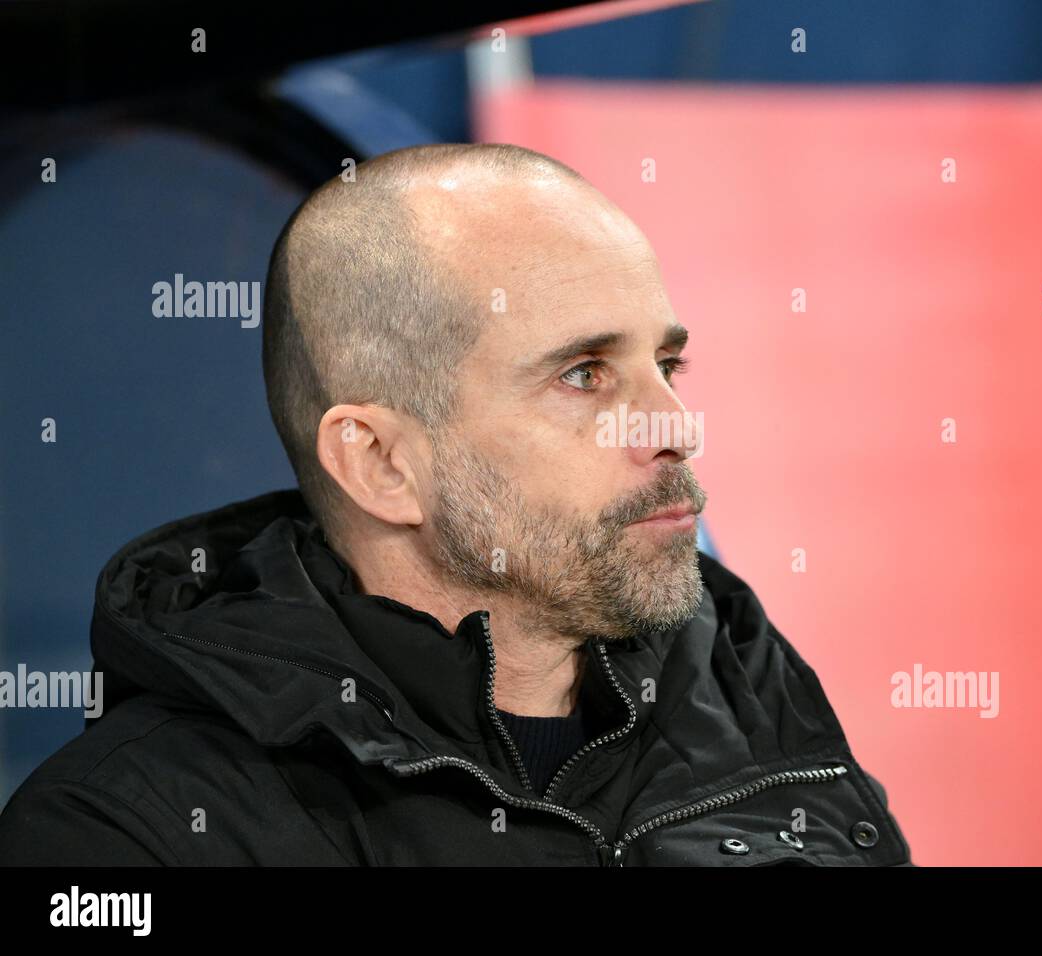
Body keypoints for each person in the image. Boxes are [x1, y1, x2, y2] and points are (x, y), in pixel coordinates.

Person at [0, 143, 911, 866]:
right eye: (586, 375)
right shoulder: (131, 833)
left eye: (666, 367)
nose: (676, 426)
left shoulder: (754, 705)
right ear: (383, 463)